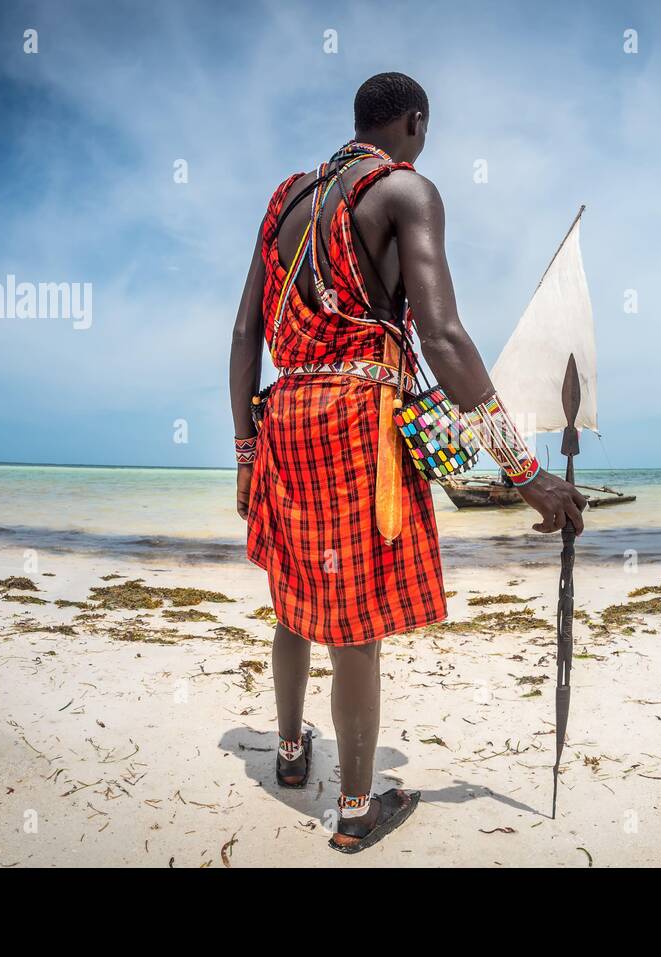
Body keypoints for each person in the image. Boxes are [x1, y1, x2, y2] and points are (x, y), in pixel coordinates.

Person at [229, 72, 586, 853]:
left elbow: (243, 333)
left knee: (294, 596)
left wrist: (245, 451)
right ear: (414, 124)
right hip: (357, 425)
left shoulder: (285, 200)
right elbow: (445, 338)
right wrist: (525, 474)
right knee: (352, 624)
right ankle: (356, 809)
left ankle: (292, 756)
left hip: (284, 418)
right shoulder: (405, 192)